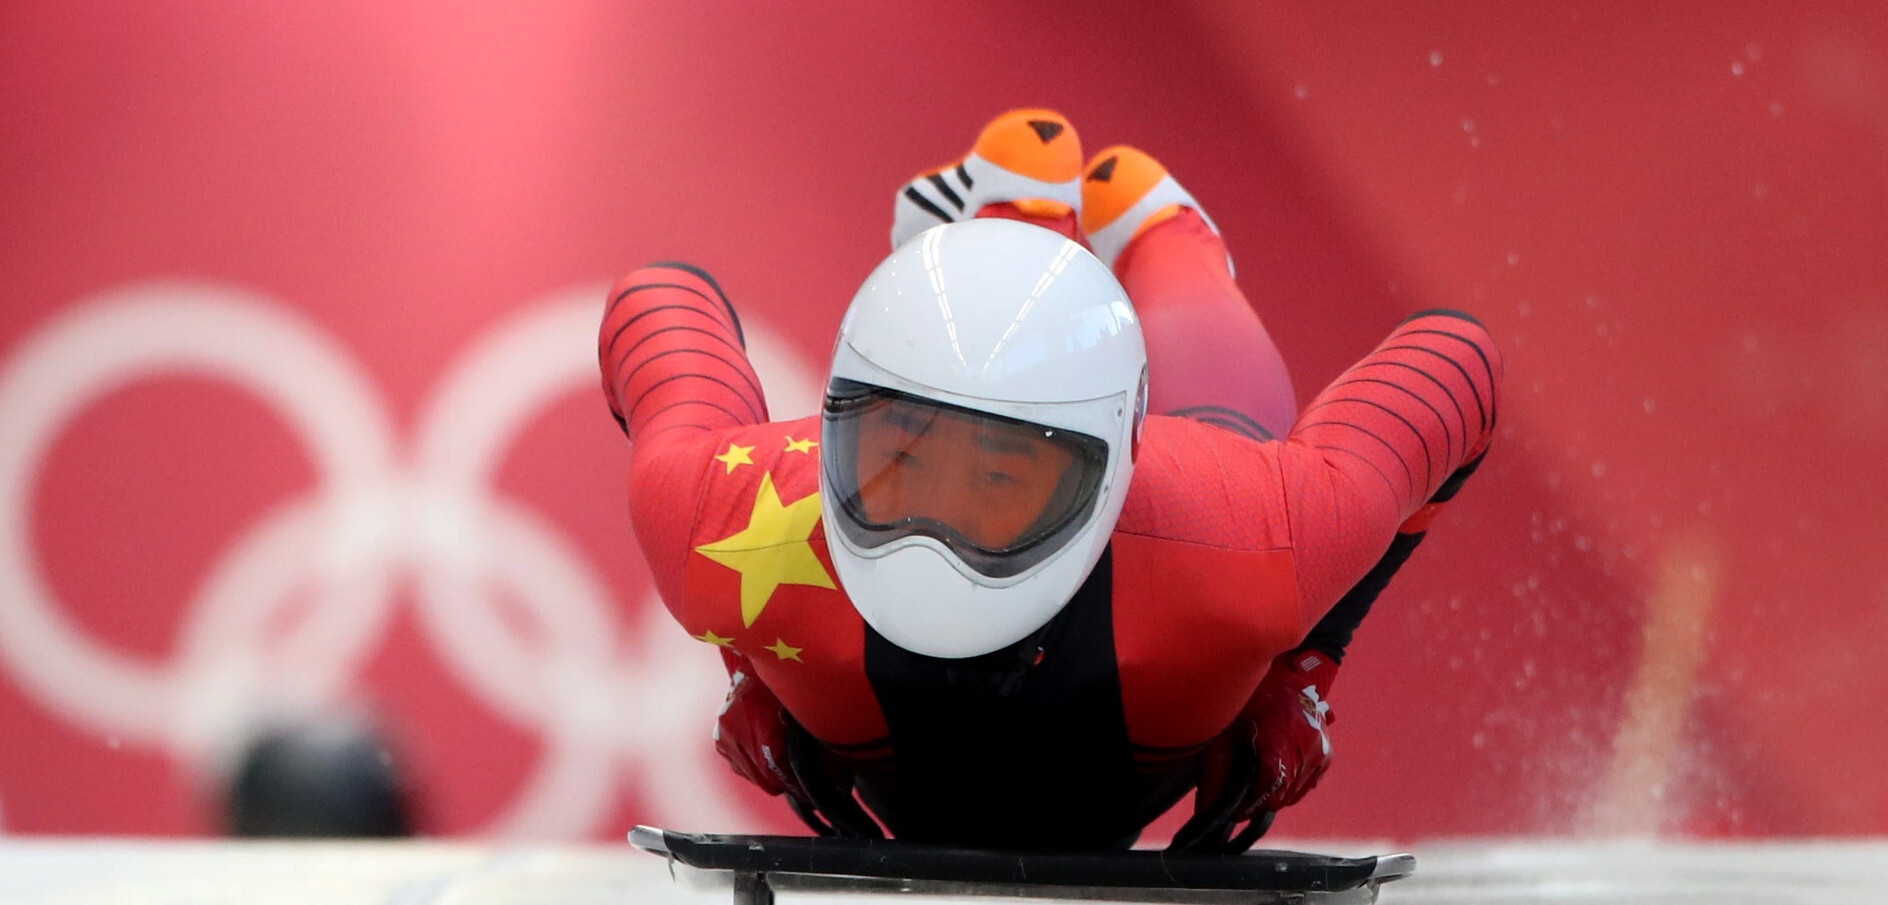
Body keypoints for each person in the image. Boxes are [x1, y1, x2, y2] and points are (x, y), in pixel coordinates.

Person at [599, 109, 1500, 850]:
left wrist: (1303, 667)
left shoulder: (1249, 533)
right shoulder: (719, 523)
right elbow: (1458, 358)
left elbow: (659, 298)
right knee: (1230, 437)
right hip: (1168, 602)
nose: (939, 520)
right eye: (900, 457)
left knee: (1231, 433)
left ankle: (1155, 233)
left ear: (1107, 469)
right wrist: (745, 653)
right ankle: (1028, 218)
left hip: (1176, 506)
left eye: (999, 478)